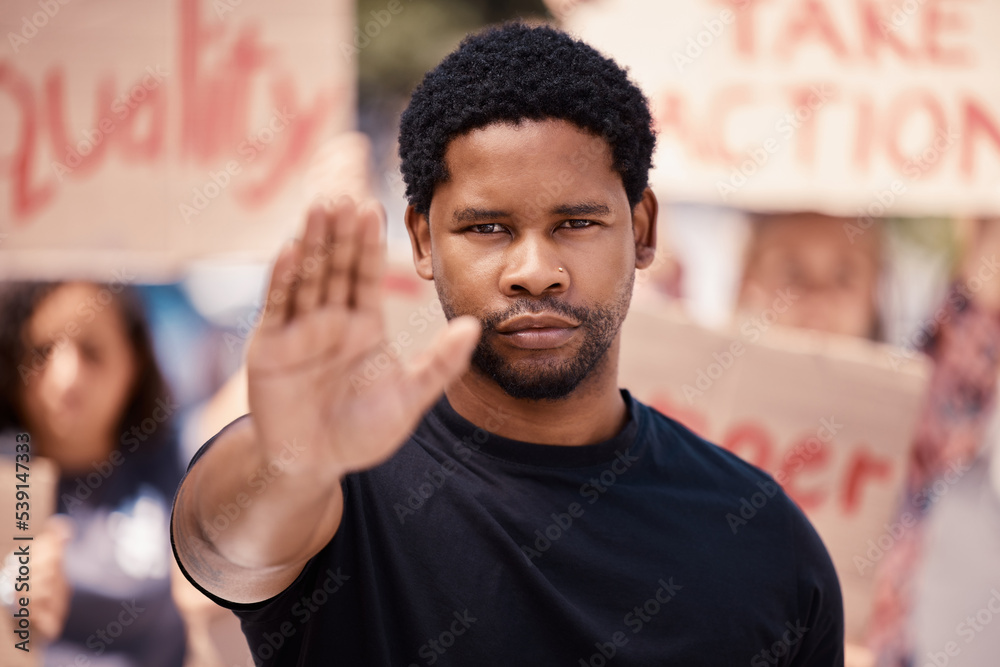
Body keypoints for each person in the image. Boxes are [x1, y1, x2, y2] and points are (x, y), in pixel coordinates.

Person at [171, 23, 845, 665]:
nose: (534, 270)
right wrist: (289, 459)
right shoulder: (336, 481)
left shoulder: (762, 539)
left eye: (577, 222)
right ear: (422, 240)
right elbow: (222, 548)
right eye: (488, 227)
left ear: (642, 229)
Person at [0, 281, 187, 666]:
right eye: (41, 352)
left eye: (92, 352)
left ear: (134, 361)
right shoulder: (7, 477)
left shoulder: (176, 463)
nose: (67, 378)